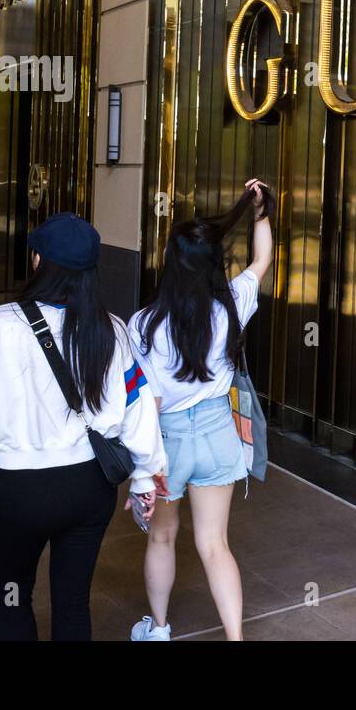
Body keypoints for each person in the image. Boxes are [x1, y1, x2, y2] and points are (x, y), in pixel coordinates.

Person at [0, 212, 167, 641]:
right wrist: (143, 477)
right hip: (90, 489)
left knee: (10, 594)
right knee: (72, 603)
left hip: (23, 493)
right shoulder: (112, 329)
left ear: (37, 260)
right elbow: (139, 408)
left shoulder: (0, 324)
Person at [128, 178, 274, 642]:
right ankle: (235, 639)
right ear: (215, 265)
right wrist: (262, 210)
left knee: (162, 537)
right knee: (214, 545)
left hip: (166, 443)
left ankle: (159, 629)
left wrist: (143, 466)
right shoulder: (230, 308)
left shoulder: (144, 325)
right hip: (217, 435)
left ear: (170, 264)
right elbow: (263, 260)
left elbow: (146, 402)